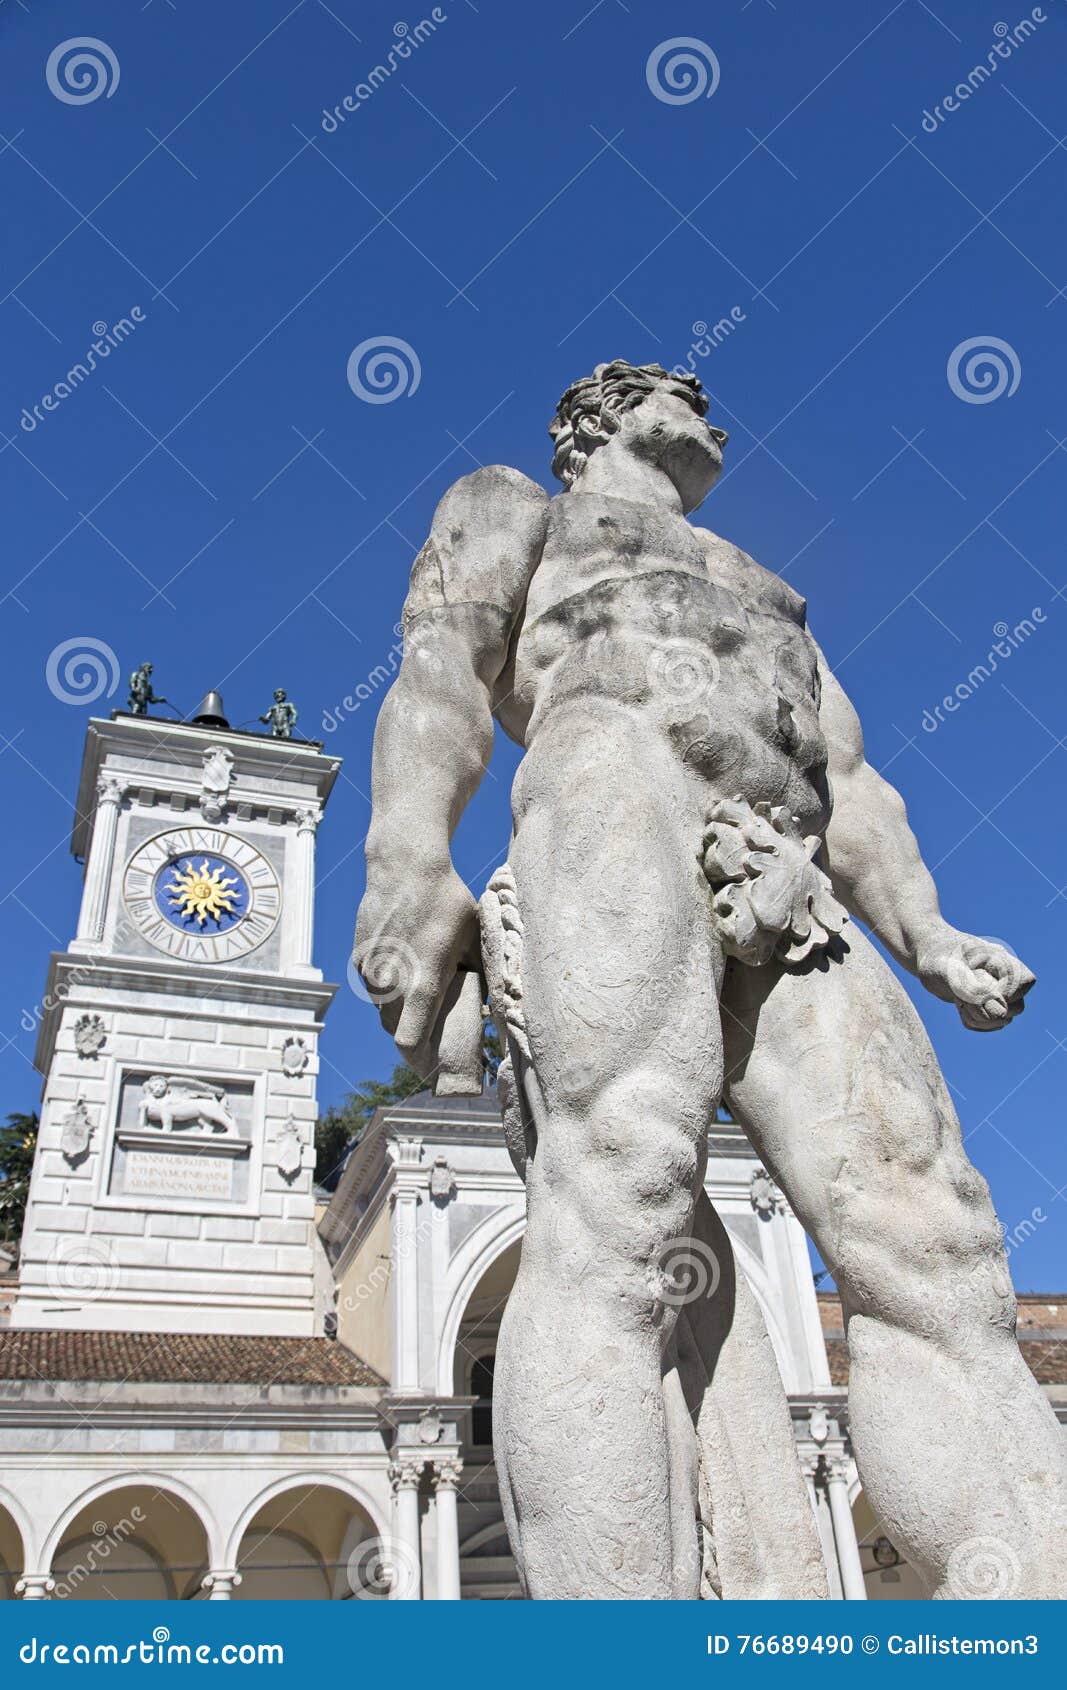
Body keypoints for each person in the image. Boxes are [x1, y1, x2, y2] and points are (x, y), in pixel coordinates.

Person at [355, 360, 1064, 1599]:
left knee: (934, 1239)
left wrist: (931, 933)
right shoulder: (514, 503)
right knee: (622, 1193)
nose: (704, 402)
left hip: (786, 867)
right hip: (612, 786)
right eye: (674, 388)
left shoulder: (761, 586)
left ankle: (1022, 1606)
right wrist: (410, 859)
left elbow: (849, 786)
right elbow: (438, 677)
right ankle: (633, 1644)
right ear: (600, 417)